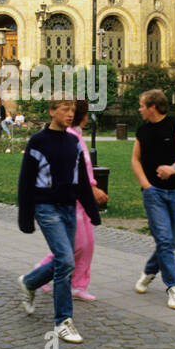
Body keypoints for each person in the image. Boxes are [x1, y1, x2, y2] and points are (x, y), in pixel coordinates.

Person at [16, 93, 102, 344]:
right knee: (66, 260)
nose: (70, 114)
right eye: (65, 109)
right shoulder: (38, 142)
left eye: (73, 109)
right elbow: (26, 181)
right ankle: (63, 321)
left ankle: (30, 282)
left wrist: (92, 212)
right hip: (46, 207)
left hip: (67, 207)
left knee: (65, 260)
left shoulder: (72, 142)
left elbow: (82, 182)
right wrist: (25, 216)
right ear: (51, 111)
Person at [35, 99, 108, 302]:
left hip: (82, 199)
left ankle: (78, 284)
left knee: (87, 244)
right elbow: (78, 170)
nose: (70, 114)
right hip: (71, 199)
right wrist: (92, 189)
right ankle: (38, 275)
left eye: (72, 110)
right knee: (73, 246)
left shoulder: (76, 136)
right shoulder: (69, 137)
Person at [131, 89, 175, 311]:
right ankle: (173, 288)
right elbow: (135, 160)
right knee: (165, 241)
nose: (139, 109)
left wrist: (173, 168)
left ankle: (149, 271)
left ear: (153, 107)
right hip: (153, 193)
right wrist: (146, 186)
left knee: (172, 241)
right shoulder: (142, 130)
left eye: (142, 105)